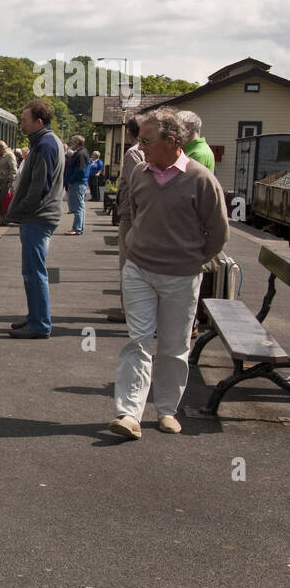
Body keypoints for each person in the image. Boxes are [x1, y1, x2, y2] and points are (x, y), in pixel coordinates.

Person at [110, 108, 229, 439]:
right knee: (138, 340)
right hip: (139, 270)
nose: (140, 147)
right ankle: (129, 414)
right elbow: (131, 214)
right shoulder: (140, 173)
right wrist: (135, 247)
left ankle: (166, 410)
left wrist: (191, 260)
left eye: (146, 141)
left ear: (172, 141)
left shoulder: (201, 179)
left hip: (181, 275)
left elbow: (218, 233)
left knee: (174, 346)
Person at [0, 100, 65, 338]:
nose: (21, 124)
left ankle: (39, 324)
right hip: (42, 216)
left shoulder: (45, 145)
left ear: (39, 121)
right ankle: (35, 318)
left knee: (34, 272)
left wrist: (16, 212)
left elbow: (39, 188)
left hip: (38, 217)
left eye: (25, 120)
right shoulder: (48, 142)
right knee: (34, 271)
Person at [107, 116, 145, 324]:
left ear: (129, 132)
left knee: (127, 264)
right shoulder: (148, 152)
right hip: (141, 215)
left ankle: (127, 310)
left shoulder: (132, 153)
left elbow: (135, 186)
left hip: (131, 216)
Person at [63, 134, 90, 235]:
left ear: (77, 143)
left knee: (78, 207)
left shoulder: (81, 154)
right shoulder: (82, 152)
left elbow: (81, 170)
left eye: (72, 141)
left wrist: (71, 180)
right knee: (80, 206)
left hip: (77, 183)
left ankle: (77, 228)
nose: (71, 143)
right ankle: (78, 227)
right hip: (79, 182)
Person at [0, 140, 18, 220]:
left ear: (2, 148)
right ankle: (2, 217)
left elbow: (13, 169)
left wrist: (11, 181)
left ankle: (5, 217)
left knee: (4, 200)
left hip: (5, 182)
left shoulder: (9, 156)